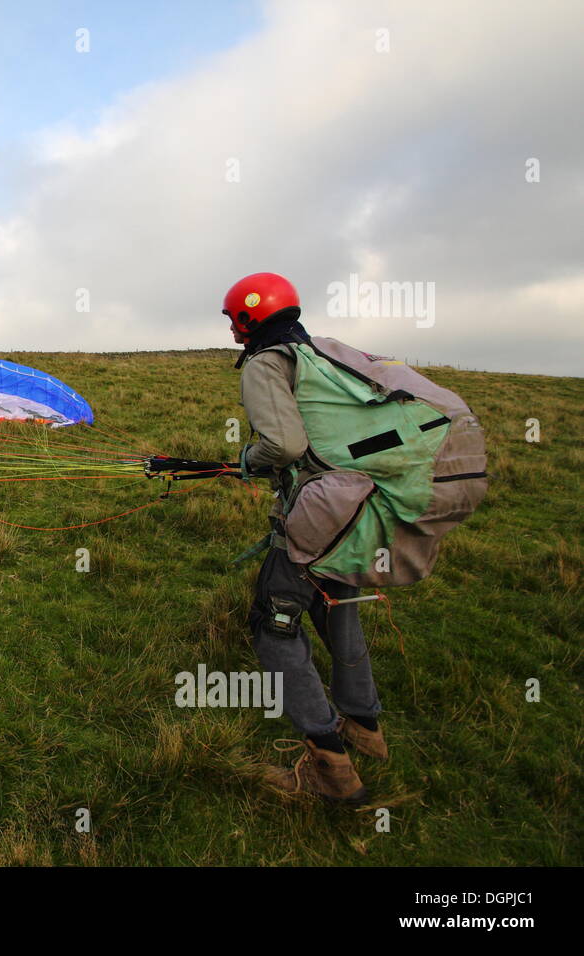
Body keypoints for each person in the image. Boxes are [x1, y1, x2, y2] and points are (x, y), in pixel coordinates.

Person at [224, 272, 388, 803]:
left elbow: (286, 445)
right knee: (337, 608)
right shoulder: (323, 356)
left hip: (319, 513)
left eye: (234, 321)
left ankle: (329, 763)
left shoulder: (266, 362)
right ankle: (365, 726)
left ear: (251, 318)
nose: (232, 333)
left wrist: (249, 460)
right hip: (365, 503)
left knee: (274, 623)